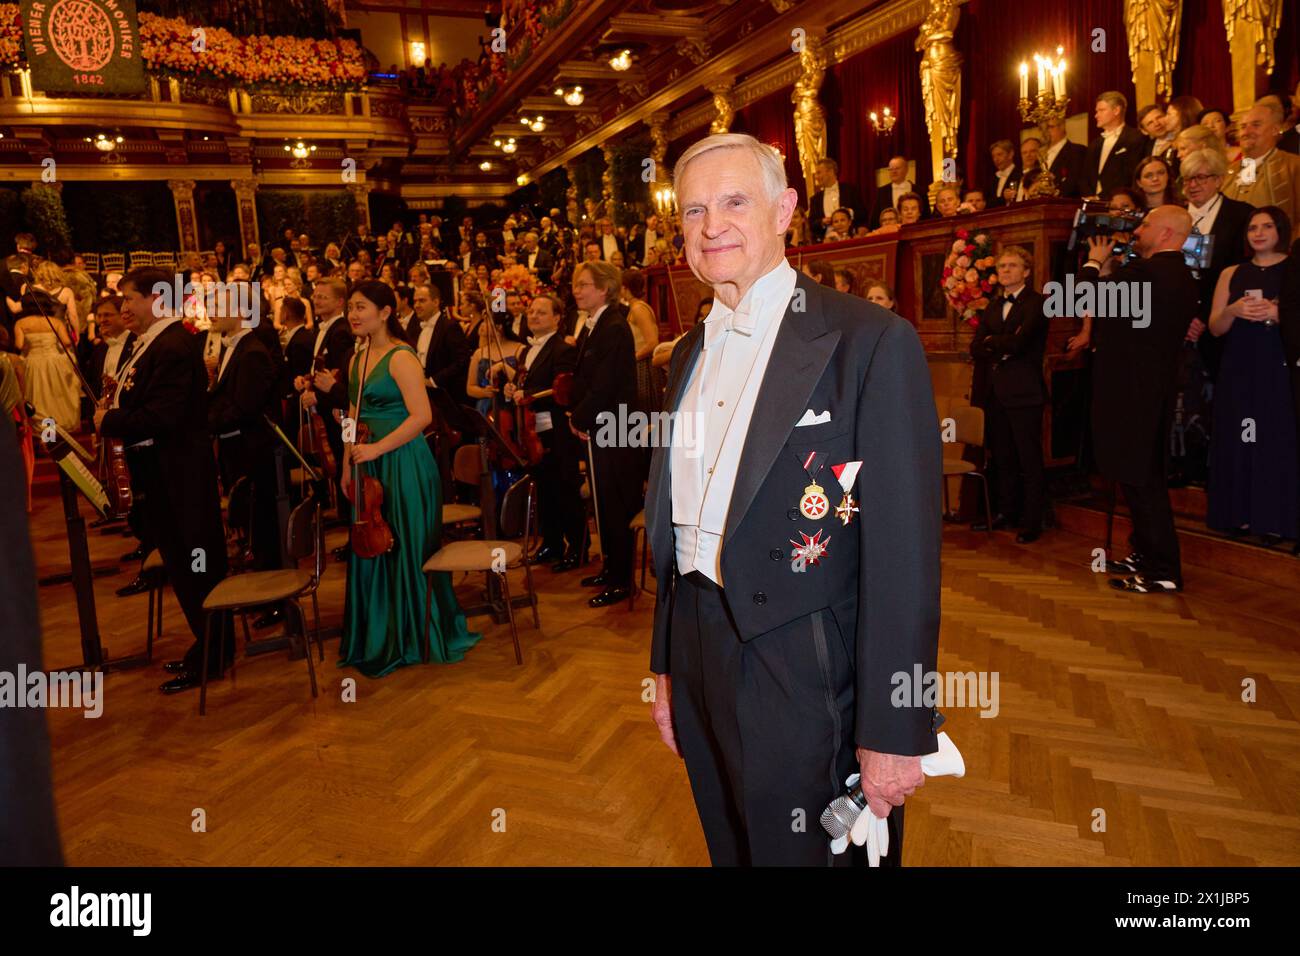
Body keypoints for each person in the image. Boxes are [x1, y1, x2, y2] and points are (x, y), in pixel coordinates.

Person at [646, 132, 941, 866]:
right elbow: (680, 526)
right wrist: (666, 668)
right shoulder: (685, 352)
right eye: (692, 211)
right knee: (733, 848)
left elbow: (904, 559)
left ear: (785, 211)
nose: (710, 225)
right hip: (698, 644)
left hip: (807, 665)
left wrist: (895, 727)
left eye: (734, 202)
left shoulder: (869, 342)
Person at [94, 267, 231, 693]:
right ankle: (206, 643)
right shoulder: (152, 341)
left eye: (129, 298)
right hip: (164, 476)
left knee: (197, 564)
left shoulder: (171, 344)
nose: (123, 307)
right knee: (185, 565)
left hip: (179, 477)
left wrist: (110, 419)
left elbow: (163, 416)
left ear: (156, 297)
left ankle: (214, 651)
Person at [338, 280, 481, 676]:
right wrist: (345, 465)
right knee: (372, 546)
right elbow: (352, 414)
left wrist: (376, 450)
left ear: (385, 312)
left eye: (361, 307)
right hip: (368, 462)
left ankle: (415, 637)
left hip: (403, 463)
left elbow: (422, 417)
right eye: (350, 307)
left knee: (406, 549)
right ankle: (380, 637)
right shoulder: (357, 359)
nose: (353, 314)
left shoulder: (402, 357)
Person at [1082, 206, 1200, 593]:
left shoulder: (1151, 274)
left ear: (1166, 234)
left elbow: (1076, 300)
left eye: (1146, 224)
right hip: (1149, 392)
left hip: (1133, 395)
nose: (1138, 230)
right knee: (1139, 479)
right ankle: (1146, 554)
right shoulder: (1177, 275)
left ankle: (1163, 570)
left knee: (1142, 481)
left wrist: (1093, 263)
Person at [1206, 206, 1297, 542]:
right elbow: (1215, 328)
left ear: (1281, 230)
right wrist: (1232, 309)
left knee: (1274, 439)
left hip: (1278, 367)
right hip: (1240, 367)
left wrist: (1279, 311)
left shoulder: (1294, 269)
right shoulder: (1232, 272)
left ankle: (1274, 519)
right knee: (1243, 436)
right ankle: (1239, 514)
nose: (1258, 233)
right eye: (1252, 227)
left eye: (1267, 226)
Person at [569, 259, 641, 608]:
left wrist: (579, 418)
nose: (577, 290)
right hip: (601, 425)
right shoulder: (592, 325)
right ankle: (610, 568)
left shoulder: (613, 326)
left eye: (583, 284)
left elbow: (605, 384)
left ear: (604, 289)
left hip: (614, 428)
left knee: (615, 504)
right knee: (602, 504)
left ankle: (621, 580)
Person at [969, 246, 1048, 542]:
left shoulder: (1038, 302)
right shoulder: (992, 305)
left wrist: (993, 342)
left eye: (1012, 266)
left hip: (1024, 392)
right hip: (995, 392)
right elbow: (975, 347)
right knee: (1002, 457)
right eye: (1001, 266)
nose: (1005, 270)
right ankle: (1006, 512)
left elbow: (1021, 343)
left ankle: (1032, 520)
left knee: (1029, 458)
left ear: (1026, 271)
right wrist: (996, 342)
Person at [504, 293, 586, 569]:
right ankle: (551, 543)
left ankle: (578, 548)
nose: (534, 316)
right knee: (545, 489)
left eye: (541, 312)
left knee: (565, 488)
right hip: (532, 432)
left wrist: (527, 394)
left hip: (557, 431)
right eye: (531, 312)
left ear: (557, 318)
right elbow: (524, 384)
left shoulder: (563, 349)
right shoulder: (526, 351)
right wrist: (512, 388)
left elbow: (563, 391)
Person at [207, 282, 282, 571]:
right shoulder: (233, 347)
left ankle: (271, 586)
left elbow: (244, 409)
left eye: (218, 307)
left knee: (261, 520)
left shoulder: (251, 351)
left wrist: (204, 425)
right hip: (236, 448)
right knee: (251, 519)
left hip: (252, 450)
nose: (210, 313)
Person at [296, 278, 353, 520]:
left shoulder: (340, 331)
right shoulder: (325, 328)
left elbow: (338, 377)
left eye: (323, 297)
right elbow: (322, 369)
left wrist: (316, 396)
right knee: (338, 467)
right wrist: (306, 380)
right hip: (328, 408)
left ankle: (351, 527)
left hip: (337, 412)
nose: (316, 300)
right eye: (315, 296)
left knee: (344, 466)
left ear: (340, 302)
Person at [1223, 100, 1300, 228]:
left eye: (1256, 125)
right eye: (1243, 127)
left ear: (1275, 129)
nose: (1247, 132)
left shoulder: (1294, 166)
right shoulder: (1227, 172)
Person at [12, 301, 79, 431]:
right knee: (56, 397)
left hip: (33, 362)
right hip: (54, 363)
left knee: (39, 398)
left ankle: (46, 431)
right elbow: (66, 342)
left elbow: (19, 345)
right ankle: (58, 430)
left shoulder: (21, 323)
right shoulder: (55, 321)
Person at [411, 283, 470, 404]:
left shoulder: (450, 326)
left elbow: (462, 361)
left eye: (422, 301)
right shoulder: (416, 327)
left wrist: (432, 381)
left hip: (444, 395)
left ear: (436, 302)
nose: (416, 305)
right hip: (420, 393)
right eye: (415, 301)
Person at [1084, 91, 1147, 197]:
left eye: (1101, 110)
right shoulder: (1094, 143)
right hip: (1091, 204)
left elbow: (1129, 174)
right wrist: (1089, 196)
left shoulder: (1136, 138)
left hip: (1119, 201)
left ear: (1116, 110)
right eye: (1096, 111)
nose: (1096, 115)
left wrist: (1101, 197)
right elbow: (1084, 176)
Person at [466, 308, 523, 417]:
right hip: (485, 409)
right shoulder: (480, 352)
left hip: (511, 407)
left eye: (486, 321)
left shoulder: (520, 349)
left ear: (499, 327)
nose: (482, 325)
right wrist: (484, 392)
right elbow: (470, 388)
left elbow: (522, 381)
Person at [621, 270, 660, 414]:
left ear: (625, 288)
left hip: (643, 366)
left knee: (645, 412)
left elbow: (652, 343)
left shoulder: (638, 309)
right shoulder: (634, 308)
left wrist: (632, 359)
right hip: (639, 363)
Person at [808, 157, 868, 241]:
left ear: (830, 172)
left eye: (819, 173)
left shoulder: (850, 190)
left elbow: (863, 213)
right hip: (826, 242)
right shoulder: (815, 199)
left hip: (851, 239)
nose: (816, 177)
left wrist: (850, 212)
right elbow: (811, 224)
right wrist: (822, 221)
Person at [873, 155, 927, 227]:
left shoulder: (919, 191)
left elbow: (926, 215)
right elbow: (875, 218)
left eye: (897, 168)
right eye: (891, 169)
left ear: (906, 169)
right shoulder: (882, 192)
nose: (894, 172)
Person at [1041, 116, 1088, 198]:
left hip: (1065, 204)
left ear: (1062, 127)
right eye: (1044, 129)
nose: (1047, 132)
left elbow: (1075, 181)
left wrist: (1055, 193)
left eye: (1050, 127)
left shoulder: (1076, 151)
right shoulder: (1040, 155)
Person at [985, 139, 1021, 207]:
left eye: (999, 154)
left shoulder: (1020, 174)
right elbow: (988, 202)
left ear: (1010, 154)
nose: (996, 159)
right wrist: (1003, 198)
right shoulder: (993, 178)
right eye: (993, 156)